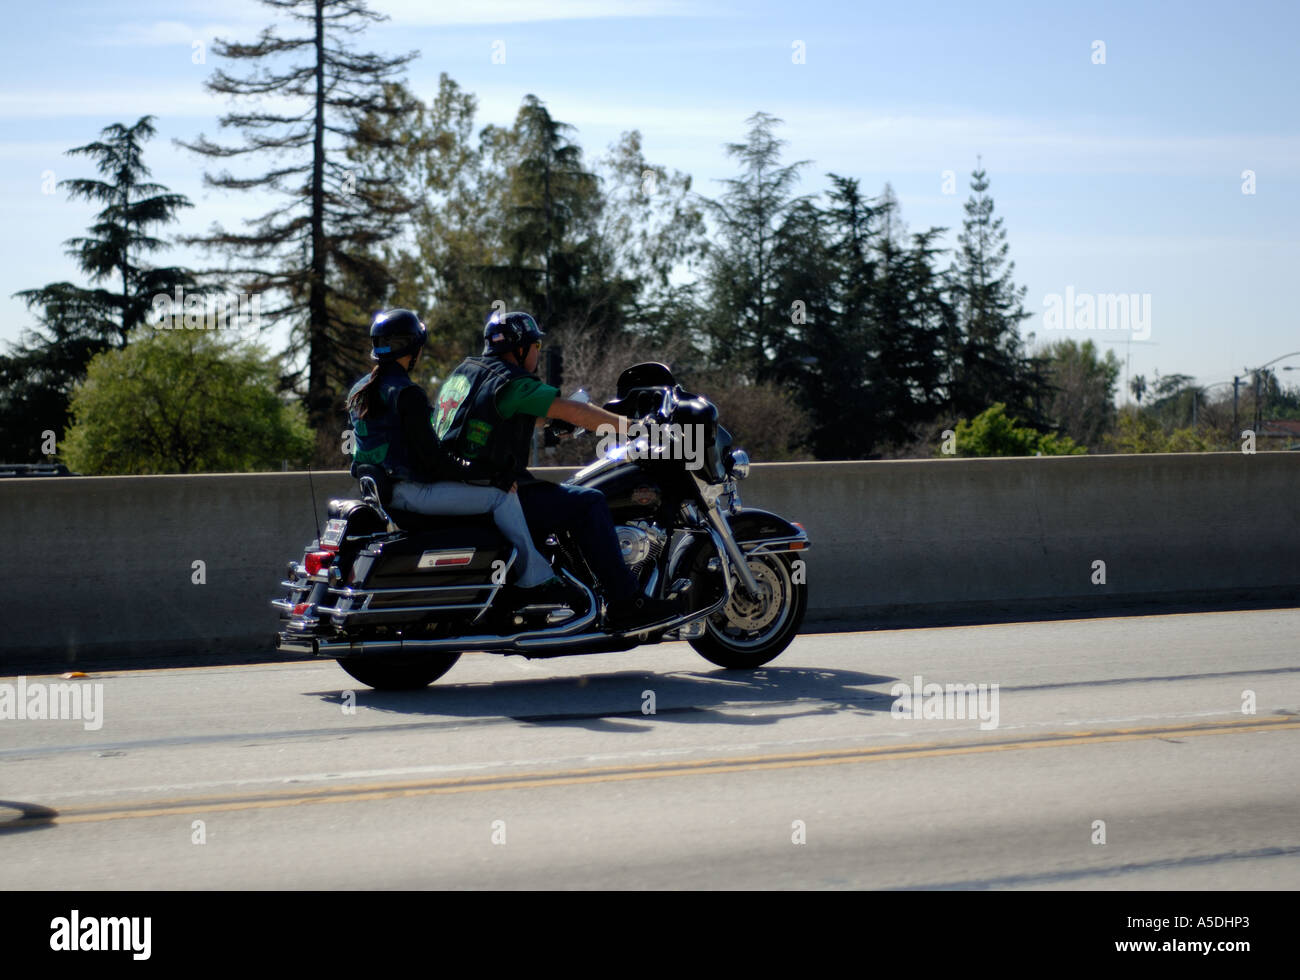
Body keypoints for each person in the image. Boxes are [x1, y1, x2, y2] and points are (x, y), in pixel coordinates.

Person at [432, 309, 683, 628]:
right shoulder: (513, 382)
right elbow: (577, 411)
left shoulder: (467, 373)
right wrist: (637, 427)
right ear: (521, 349)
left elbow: (495, 416)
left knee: (560, 499)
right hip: (491, 488)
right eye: (536, 346)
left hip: (457, 482)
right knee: (588, 503)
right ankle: (625, 602)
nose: (538, 353)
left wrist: (552, 421)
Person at [345, 309, 575, 608]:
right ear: (414, 348)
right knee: (500, 497)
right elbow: (434, 461)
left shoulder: (359, 390)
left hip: (382, 495)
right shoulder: (407, 394)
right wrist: (489, 475)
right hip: (413, 492)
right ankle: (536, 580)